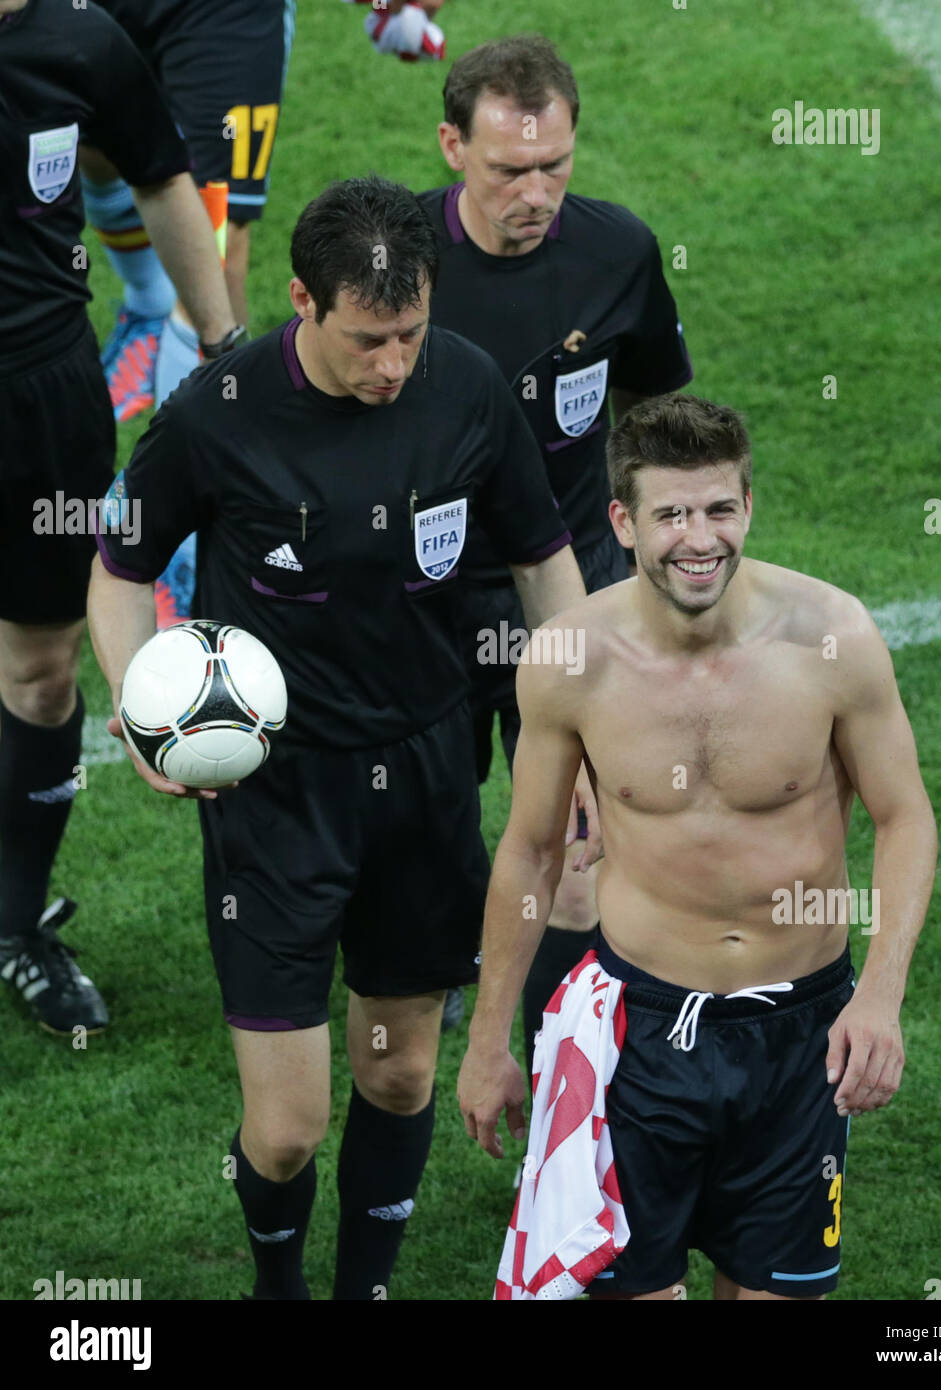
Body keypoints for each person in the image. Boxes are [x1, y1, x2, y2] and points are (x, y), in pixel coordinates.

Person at [87, 176, 589, 1299]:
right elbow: (118, 569)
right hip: (274, 794)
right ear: (303, 302)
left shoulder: (466, 386)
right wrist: (137, 701)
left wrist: (583, 729)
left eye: (410, 333)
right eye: (368, 340)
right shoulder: (219, 412)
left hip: (425, 776)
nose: (394, 363)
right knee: (283, 1132)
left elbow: (543, 563)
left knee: (400, 1076)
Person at [458, 394, 938, 1300]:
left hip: (801, 1035)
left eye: (719, 509)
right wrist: (488, 1043)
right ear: (623, 522)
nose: (698, 538)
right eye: (671, 514)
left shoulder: (832, 637)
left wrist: (880, 995)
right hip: (636, 1035)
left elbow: (904, 815)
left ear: (748, 506)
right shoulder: (568, 659)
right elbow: (530, 853)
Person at [418, 33, 693, 1044]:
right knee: (430, 816)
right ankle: (443, 967)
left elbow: (653, 412)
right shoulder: (400, 261)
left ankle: (557, 1065)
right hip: (429, 600)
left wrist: (660, 551)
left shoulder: (616, 251)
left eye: (553, 166)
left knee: (578, 843)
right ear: (453, 146)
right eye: (507, 170)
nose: (533, 193)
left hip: (574, 587)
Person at [0, 0, 239, 1036]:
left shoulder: (79, 40)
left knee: (41, 669)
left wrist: (223, 352)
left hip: (45, 406)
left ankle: (15, 924)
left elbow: (161, 176)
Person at [83, 0, 294, 420]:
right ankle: (149, 305)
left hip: (221, 13)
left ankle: (192, 451)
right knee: (96, 148)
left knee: (216, 242)